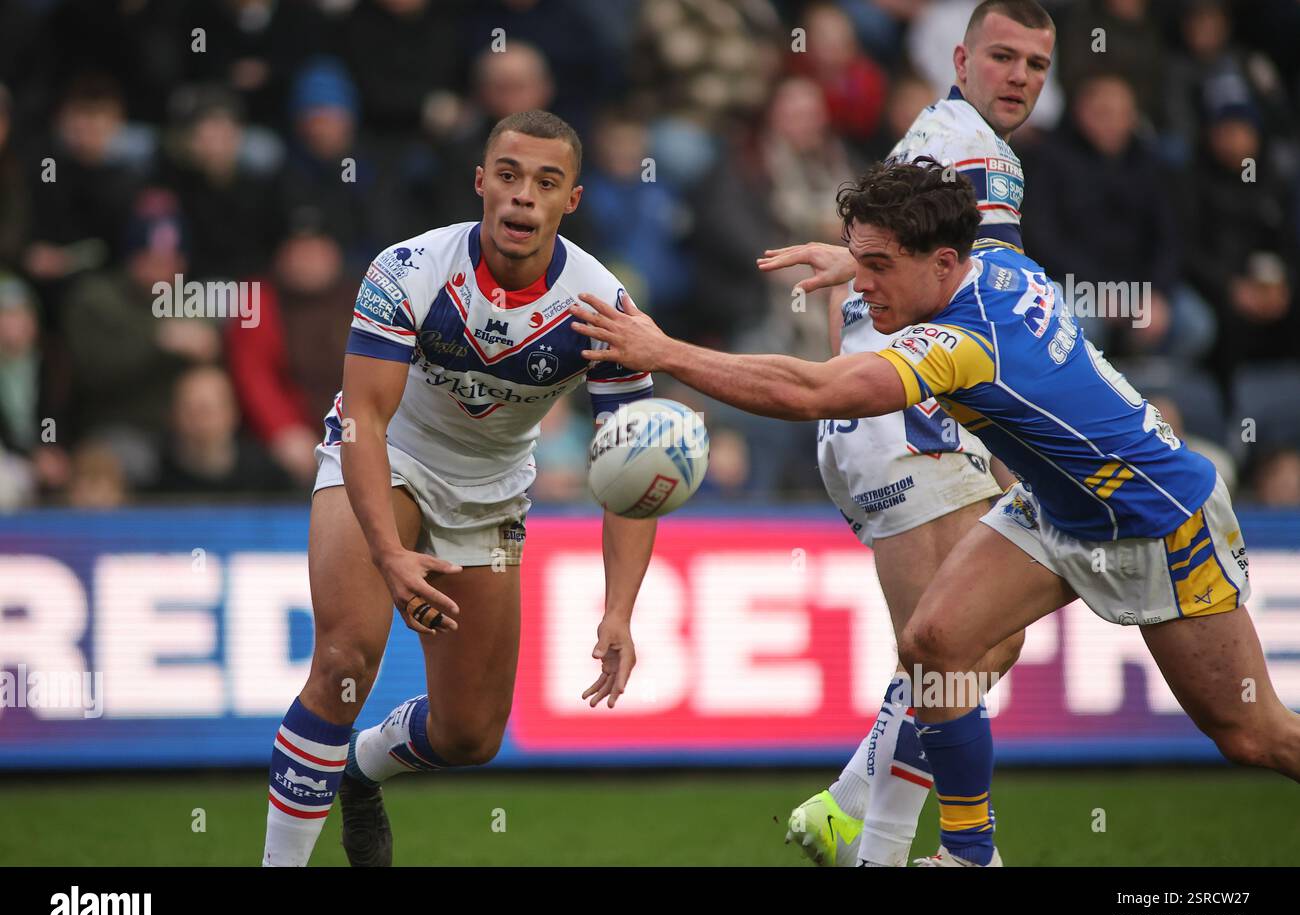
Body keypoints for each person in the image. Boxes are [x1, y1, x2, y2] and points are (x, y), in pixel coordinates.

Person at [571, 159, 1300, 868]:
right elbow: (918, 271)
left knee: (1252, 736)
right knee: (934, 645)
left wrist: (664, 350)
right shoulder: (993, 262)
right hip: (1057, 500)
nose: (861, 285)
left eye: (878, 266)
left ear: (941, 263)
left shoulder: (959, 344)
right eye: (861, 261)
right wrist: (854, 256)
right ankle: (970, 854)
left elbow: (812, 393)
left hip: (1155, 516)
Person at [262, 110, 658, 867]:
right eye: (507, 175)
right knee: (345, 663)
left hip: (490, 492)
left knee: (470, 736)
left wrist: (618, 610)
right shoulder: (406, 271)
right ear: (481, 181)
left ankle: (360, 769)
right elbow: (366, 425)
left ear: (570, 200)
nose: (521, 198)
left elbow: (630, 473)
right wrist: (389, 554)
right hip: (387, 458)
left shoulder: (604, 309)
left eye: (546, 183)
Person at [752, 0, 1054, 866]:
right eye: (1003, 57)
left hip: (885, 419)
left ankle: (856, 812)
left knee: (971, 646)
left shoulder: (938, 136)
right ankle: (922, 846)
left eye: (1035, 65)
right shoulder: (975, 151)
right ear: (960, 58)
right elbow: (985, 306)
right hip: (909, 418)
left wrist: (852, 259)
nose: (1019, 79)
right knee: (955, 650)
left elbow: (925, 263)